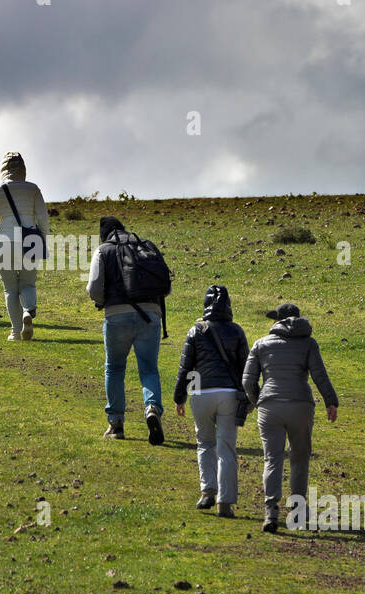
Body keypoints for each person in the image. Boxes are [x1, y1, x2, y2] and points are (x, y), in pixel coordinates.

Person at [242, 302, 339, 533]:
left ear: (276, 321)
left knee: (272, 459)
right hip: (301, 405)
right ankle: (297, 513)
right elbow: (319, 375)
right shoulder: (309, 343)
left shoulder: (261, 344)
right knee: (300, 459)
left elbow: (247, 381)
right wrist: (331, 401)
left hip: (270, 406)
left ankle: (271, 512)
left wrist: (259, 401)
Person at [173, 286, 251, 518]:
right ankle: (225, 503)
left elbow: (185, 367)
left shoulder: (196, 330)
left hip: (200, 392)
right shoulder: (236, 331)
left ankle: (207, 491)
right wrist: (247, 397)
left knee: (205, 443)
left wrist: (180, 397)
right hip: (228, 393)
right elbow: (246, 368)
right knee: (226, 448)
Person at [86, 216, 165, 444]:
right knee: (149, 369)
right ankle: (152, 408)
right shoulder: (144, 246)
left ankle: (116, 424)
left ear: (104, 234)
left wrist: (102, 302)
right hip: (151, 314)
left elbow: (94, 288)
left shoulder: (103, 251)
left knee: (115, 368)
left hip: (116, 315)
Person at [0, 152, 49, 341]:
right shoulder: (33, 189)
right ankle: (27, 311)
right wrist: (42, 240)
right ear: (23, 169)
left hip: (3, 240)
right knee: (28, 283)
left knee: (10, 289)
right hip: (30, 240)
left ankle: (15, 331)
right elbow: (43, 218)